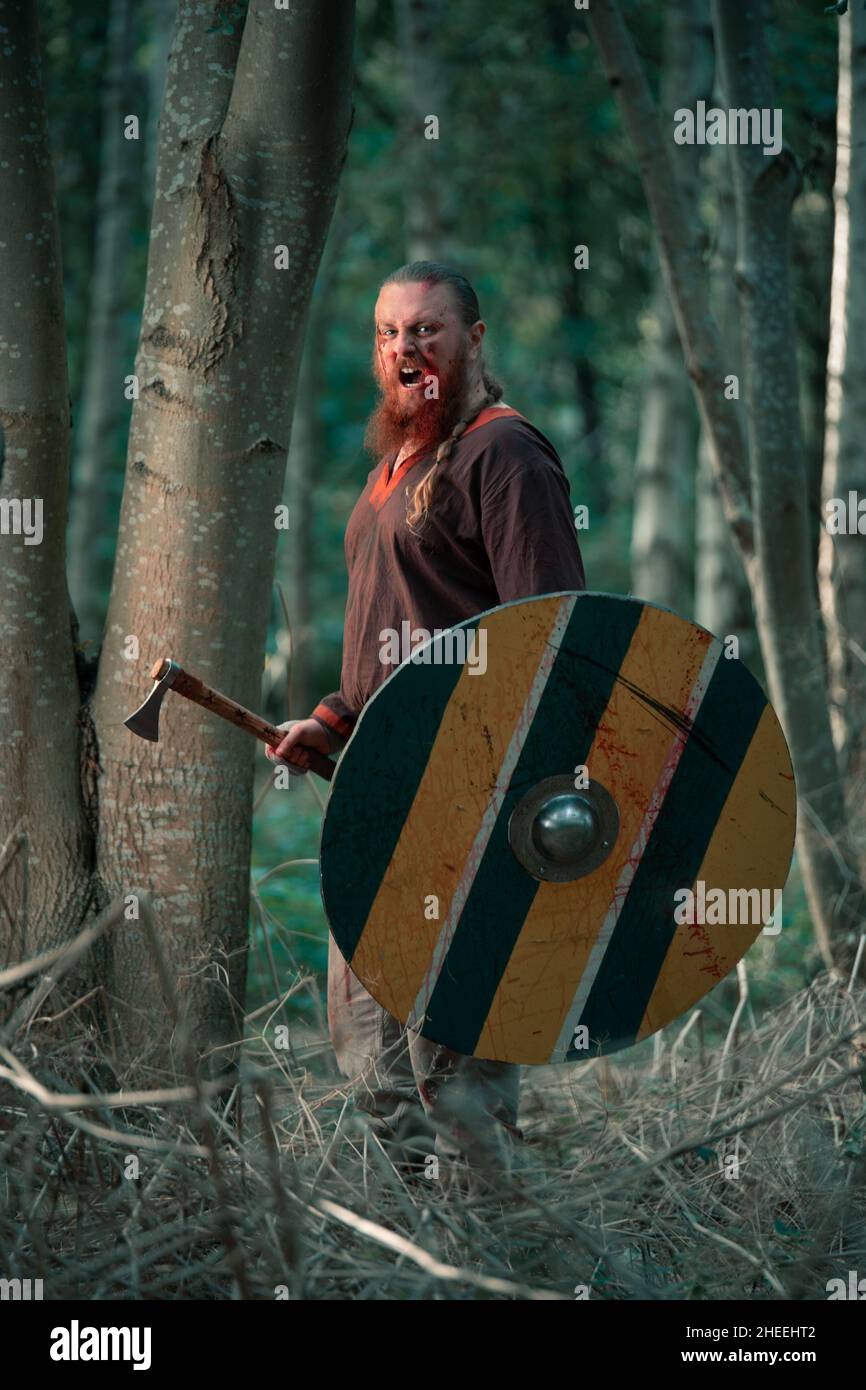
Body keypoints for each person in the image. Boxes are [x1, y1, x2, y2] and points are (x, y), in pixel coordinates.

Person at [268, 261, 586, 1177]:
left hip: (473, 799)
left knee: (457, 1058)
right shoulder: (386, 474)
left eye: (426, 330)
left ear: (474, 341)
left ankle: (493, 1248)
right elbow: (384, 641)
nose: (405, 349)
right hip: (380, 795)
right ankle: (407, 1251)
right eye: (388, 333)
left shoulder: (505, 455)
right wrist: (332, 719)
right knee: (367, 1054)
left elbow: (551, 637)